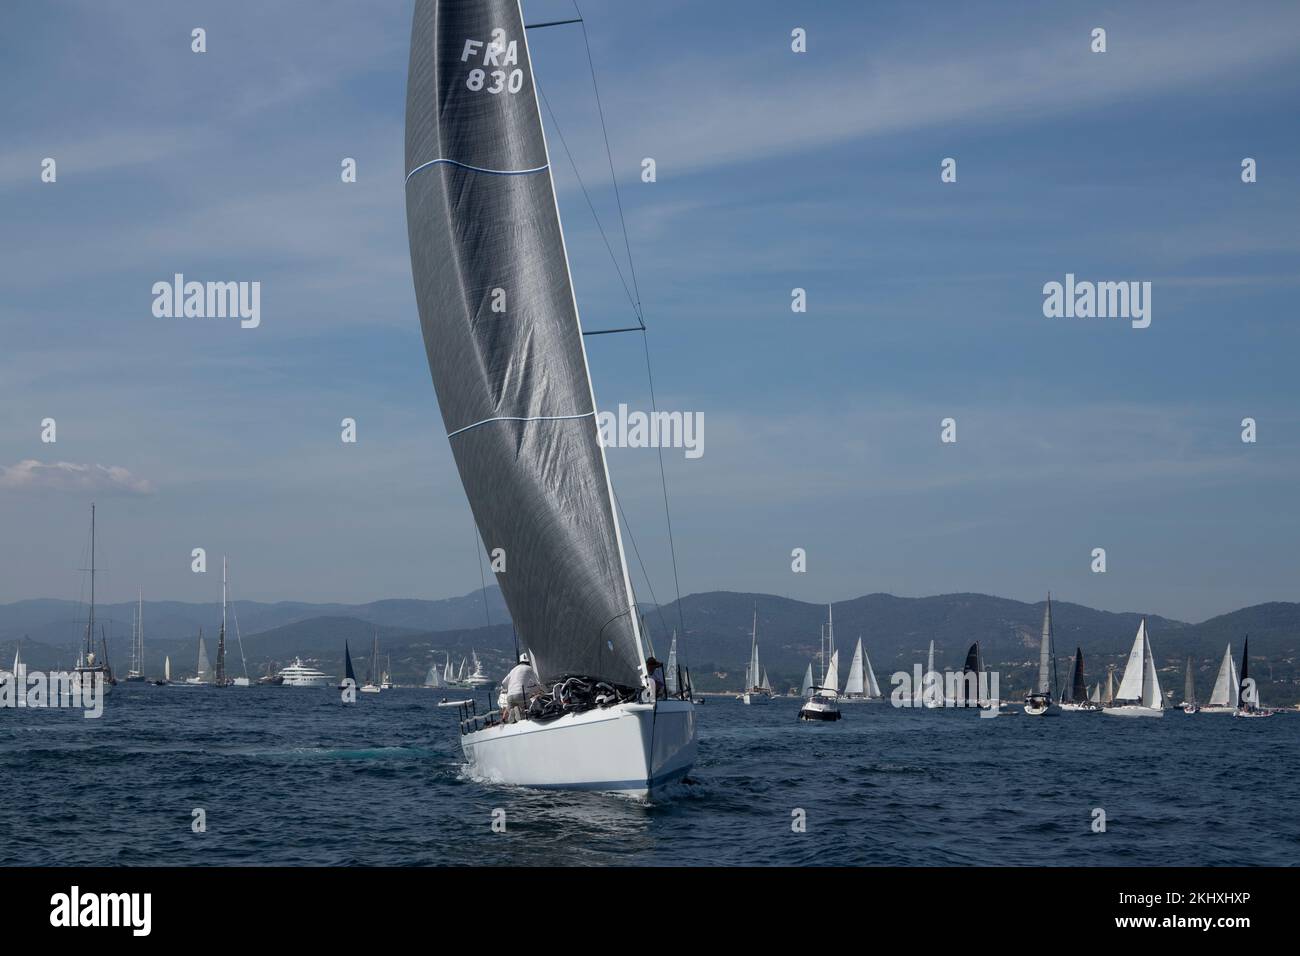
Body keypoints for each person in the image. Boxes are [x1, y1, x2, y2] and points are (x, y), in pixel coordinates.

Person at [501, 653, 541, 723]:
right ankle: (521, 717)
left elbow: (504, 682)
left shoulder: (513, 670)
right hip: (521, 695)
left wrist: (511, 688)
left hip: (510, 696)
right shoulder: (529, 668)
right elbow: (537, 682)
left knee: (513, 712)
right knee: (531, 710)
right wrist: (539, 689)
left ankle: (513, 714)